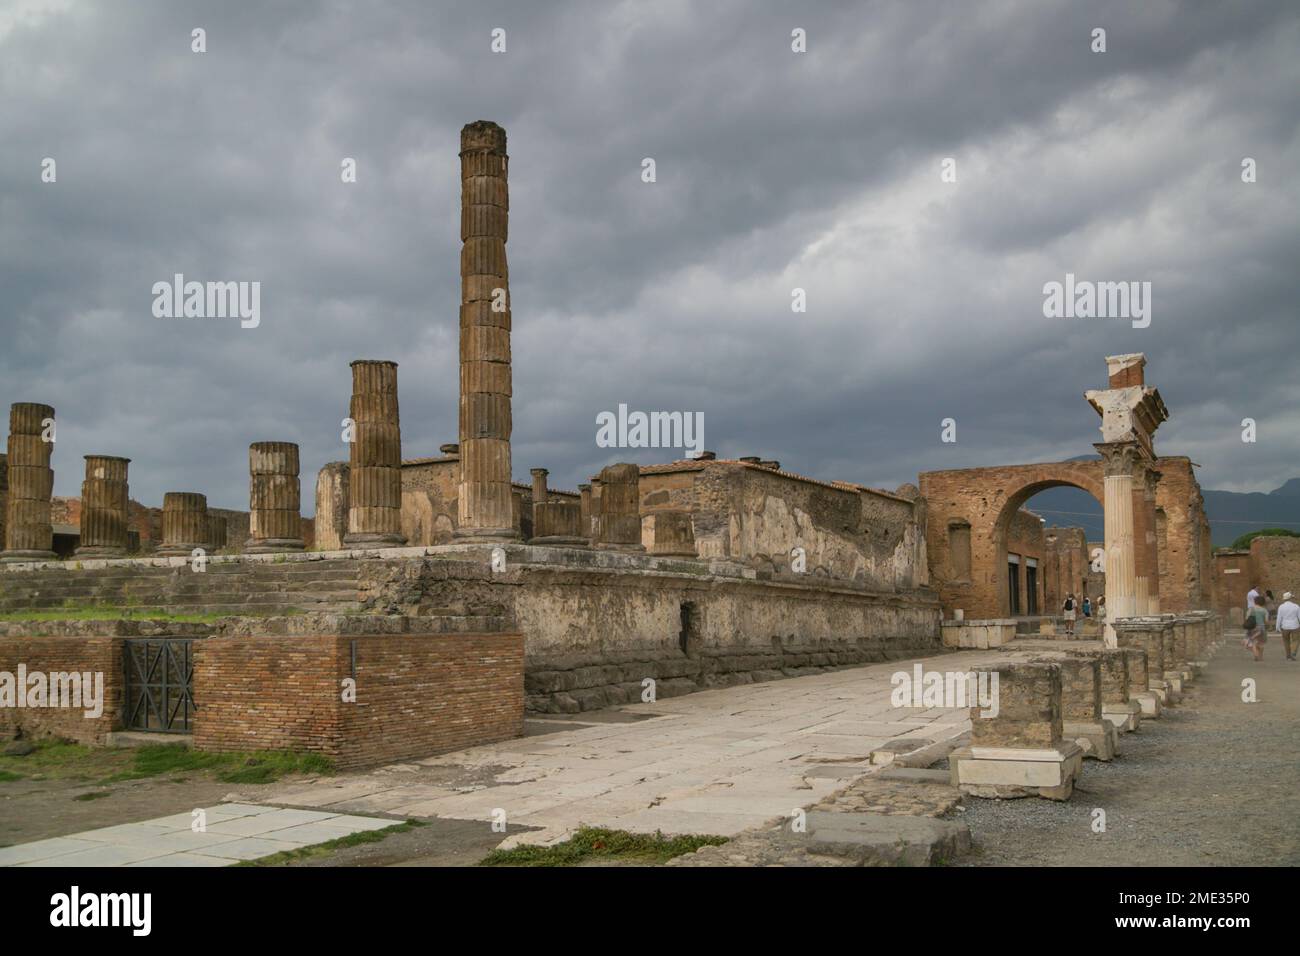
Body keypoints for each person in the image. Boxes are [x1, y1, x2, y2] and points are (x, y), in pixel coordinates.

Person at [1277, 592, 1300, 661]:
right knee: (1296, 640)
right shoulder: (1296, 606)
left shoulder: (1281, 606)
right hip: (1295, 625)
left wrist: (1277, 627)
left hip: (1285, 626)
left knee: (1286, 641)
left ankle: (1288, 656)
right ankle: (1293, 653)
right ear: (1290, 598)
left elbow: (1279, 618)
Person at [1244, 595, 1268, 661]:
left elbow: (1246, 618)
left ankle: (1256, 654)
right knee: (1261, 643)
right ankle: (1260, 656)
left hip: (1252, 627)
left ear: (1255, 602)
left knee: (1252, 642)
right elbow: (1266, 620)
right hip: (1261, 627)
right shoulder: (1264, 610)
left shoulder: (1251, 609)